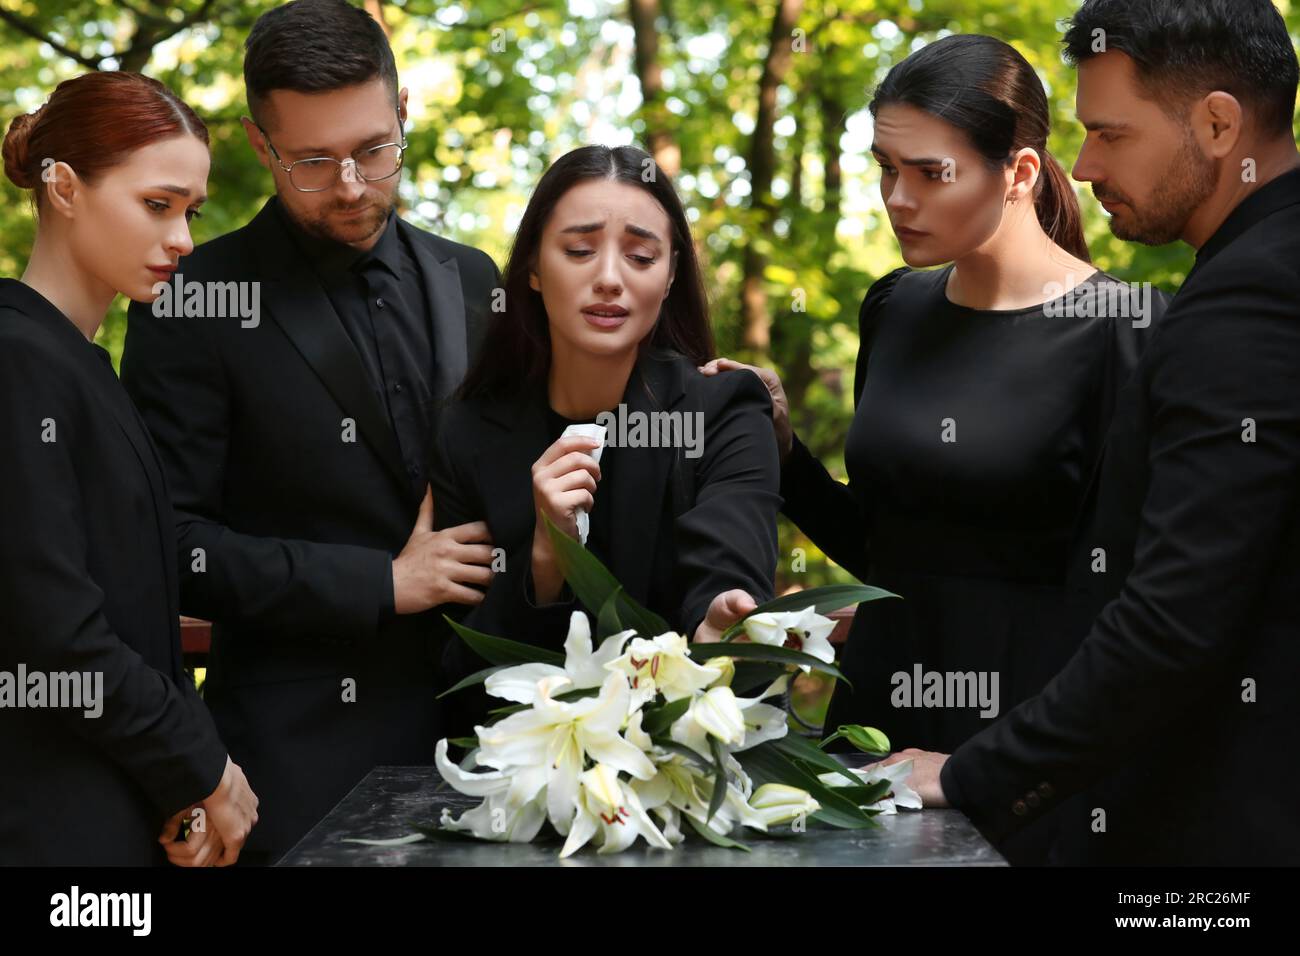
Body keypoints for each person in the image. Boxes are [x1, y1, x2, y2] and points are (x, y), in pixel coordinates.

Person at [889, 0, 1300, 866]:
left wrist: (972, 774)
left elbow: (1174, 621)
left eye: (1110, 134)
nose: (1083, 164)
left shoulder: (1243, 302)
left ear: (1219, 124)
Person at [705, 35, 1168, 767]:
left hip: (1024, 748)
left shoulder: (1130, 332)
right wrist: (786, 454)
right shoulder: (893, 307)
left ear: (1017, 172)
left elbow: (1132, 601)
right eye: (887, 169)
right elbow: (886, 548)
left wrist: (988, 770)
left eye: (930, 173)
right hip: (872, 729)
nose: (897, 198)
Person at [120, 0, 498, 863]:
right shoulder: (193, 296)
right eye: (313, 162)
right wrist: (382, 582)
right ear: (262, 147)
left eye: (373, 149)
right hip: (296, 767)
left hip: (495, 748)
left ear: (404, 113)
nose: (353, 185)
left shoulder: (476, 278)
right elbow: (168, 544)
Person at [430, 144, 781, 728]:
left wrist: (720, 627)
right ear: (534, 269)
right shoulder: (467, 430)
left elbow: (729, 569)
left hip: (689, 763)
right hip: (523, 771)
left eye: (642, 257)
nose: (610, 279)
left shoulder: (725, 410)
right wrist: (548, 555)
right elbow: (463, 673)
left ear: (670, 276)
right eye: (579, 250)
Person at [0, 71, 258, 866]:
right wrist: (201, 767)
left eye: (191, 212)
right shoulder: (16, 360)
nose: (183, 238)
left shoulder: (82, 366)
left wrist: (177, 788)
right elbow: (55, 631)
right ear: (66, 188)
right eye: (158, 204)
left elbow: (139, 614)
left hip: (118, 808)